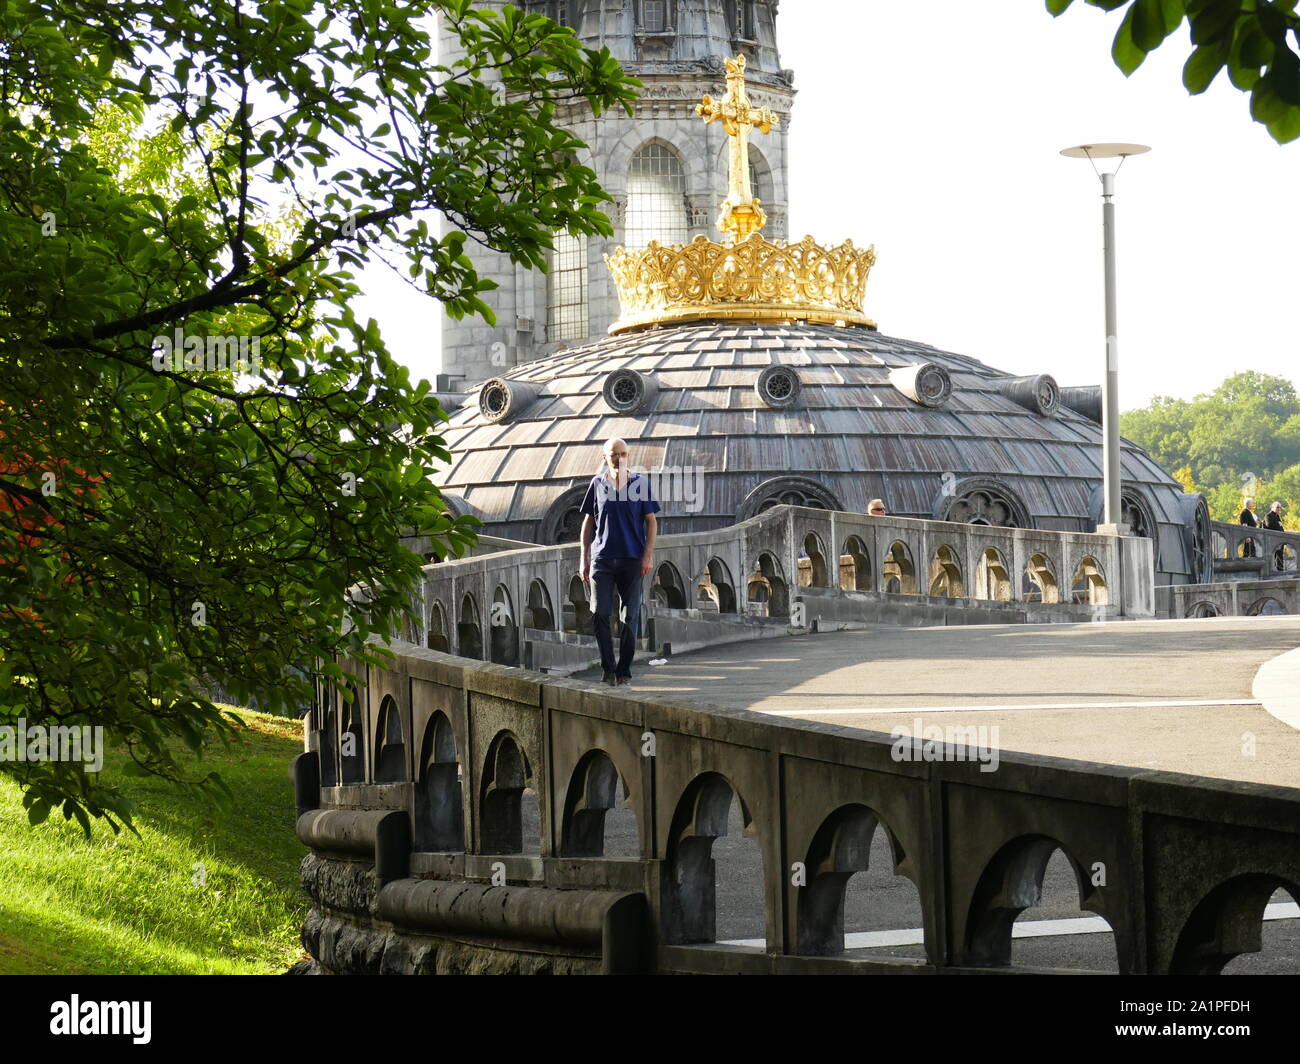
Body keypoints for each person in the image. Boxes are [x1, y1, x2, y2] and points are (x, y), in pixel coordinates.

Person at [579, 438, 659, 687]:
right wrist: (583, 558)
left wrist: (647, 555)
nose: (619, 458)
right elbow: (588, 523)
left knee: (630, 616)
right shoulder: (597, 484)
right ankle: (608, 667)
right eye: (614, 454)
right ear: (605, 457)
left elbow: (651, 521)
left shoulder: (640, 484)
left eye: (623, 453)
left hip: (632, 560)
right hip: (602, 559)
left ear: (628, 456)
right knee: (600, 613)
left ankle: (623, 670)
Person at [1265, 501, 1285, 570]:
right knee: (1273, 556)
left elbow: (1281, 528)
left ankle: (1280, 570)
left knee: (1280, 555)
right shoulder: (1268, 516)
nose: (1279, 509)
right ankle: (1272, 570)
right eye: (1277, 507)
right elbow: (1269, 525)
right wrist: (1278, 523)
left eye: (1280, 507)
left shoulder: (1277, 516)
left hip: (1280, 539)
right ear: (1272, 507)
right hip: (1272, 539)